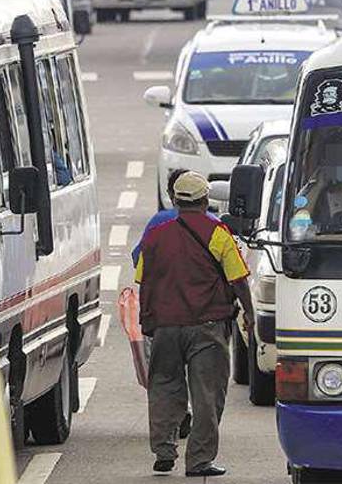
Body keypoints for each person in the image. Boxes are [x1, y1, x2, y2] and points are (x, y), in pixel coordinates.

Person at [134, 170, 255, 477]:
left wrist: (148, 320)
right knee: (207, 394)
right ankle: (199, 461)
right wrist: (251, 315)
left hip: (165, 325)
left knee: (163, 387)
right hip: (207, 325)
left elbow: (142, 279)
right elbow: (238, 280)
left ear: (175, 200)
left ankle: (164, 451)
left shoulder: (155, 235)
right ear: (205, 200)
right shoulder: (218, 233)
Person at [131, 169, 193, 440]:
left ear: (171, 195)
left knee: (164, 376)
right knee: (200, 375)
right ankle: (192, 420)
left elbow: (139, 264)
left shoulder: (158, 223)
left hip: (162, 317)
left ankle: (165, 439)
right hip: (203, 317)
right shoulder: (213, 224)